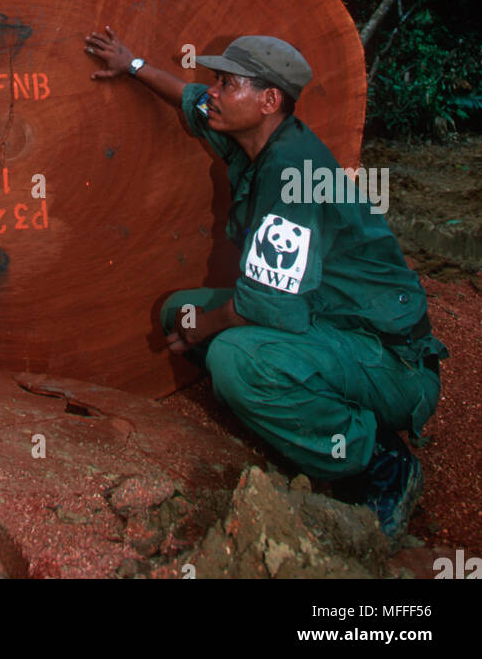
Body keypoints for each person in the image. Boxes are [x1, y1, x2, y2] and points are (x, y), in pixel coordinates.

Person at [83, 26, 448, 542]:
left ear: (268, 99)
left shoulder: (293, 171)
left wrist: (203, 332)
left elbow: (262, 306)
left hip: (391, 360)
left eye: (228, 83)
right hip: (325, 321)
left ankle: (381, 465)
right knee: (179, 313)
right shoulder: (253, 136)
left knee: (232, 357)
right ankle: (319, 416)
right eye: (217, 80)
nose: (213, 90)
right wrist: (132, 64)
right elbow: (188, 100)